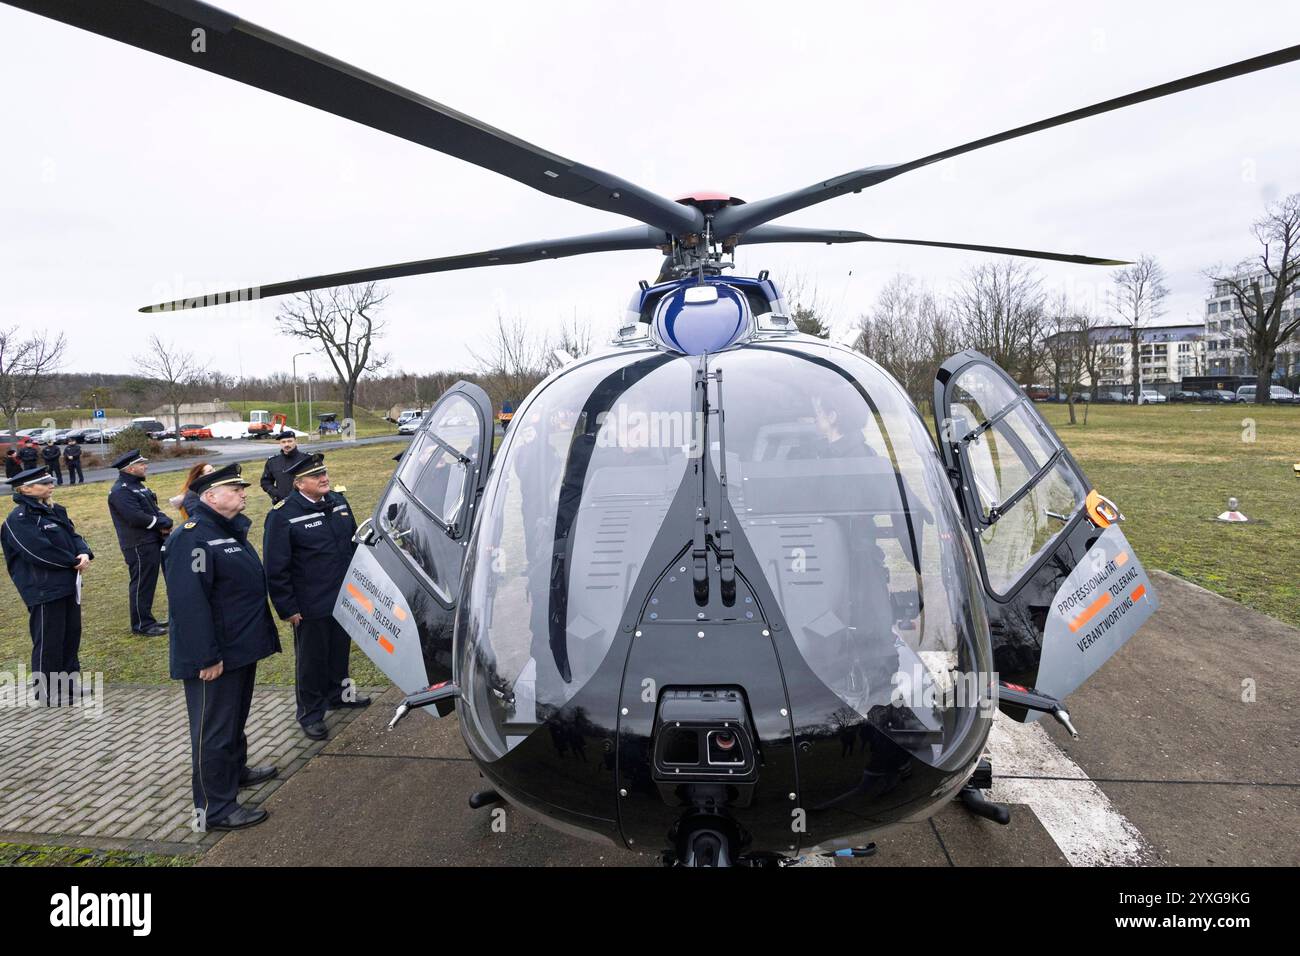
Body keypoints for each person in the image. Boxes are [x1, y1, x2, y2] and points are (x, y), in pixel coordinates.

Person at [162, 463, 280, 831]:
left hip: (239, 649)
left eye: (242, 487)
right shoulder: (192, 537)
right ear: (210, 496)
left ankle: (235, 773)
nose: (244, 492)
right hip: (215, 656)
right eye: (235, 488)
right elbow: (189, 603)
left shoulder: (224, 530)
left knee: (232, 723)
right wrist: (206, 656)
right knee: (212, 730)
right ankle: (216, 809)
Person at [262, 453, 367, 741]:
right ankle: (310, 713)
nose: (324, 478)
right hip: (310, 604)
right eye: (316, 476)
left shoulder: (339, 503)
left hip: (343, 597)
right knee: (311, 661)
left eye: (324, 472)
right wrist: (287, 608)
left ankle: (340, 695)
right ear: (298, 484)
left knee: (339, 652)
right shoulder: (283, 515)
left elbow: (353, 547)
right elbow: (276, 567)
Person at [0, 466, 93, 705]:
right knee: (48, 640)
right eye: (44, 483)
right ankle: (46, 693)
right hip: (43, 589)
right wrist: (73, 561)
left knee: (71, 634)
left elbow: (74, 536)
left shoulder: (54, 510)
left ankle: (69, 682)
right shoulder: (18, 519)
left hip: (68, 584)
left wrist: (84, 553)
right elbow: (37, 552)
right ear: (26, 489)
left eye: (50, 481)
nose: (50, 485)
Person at [107, 449, 172, 636]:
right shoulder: (121, 491)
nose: (145, 466)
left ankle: (147, 618)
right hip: (138, 543)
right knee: (142, 583)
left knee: (149, 582)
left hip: (152, 539)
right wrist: (160, 524)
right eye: (141, 464)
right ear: (130, 468)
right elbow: (135, 517)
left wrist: (163, 518)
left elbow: (153, 508)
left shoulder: (139, 487)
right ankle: (142, 624)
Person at [259, 433, 308, 504]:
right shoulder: (273, 462)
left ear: (296, 441)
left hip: (305, 502)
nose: (286, 444)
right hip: (282, 503)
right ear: (280, 443)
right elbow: (265, 482)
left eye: (290, 441)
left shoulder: (306, 459)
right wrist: (276, 493)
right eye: (283, 442)